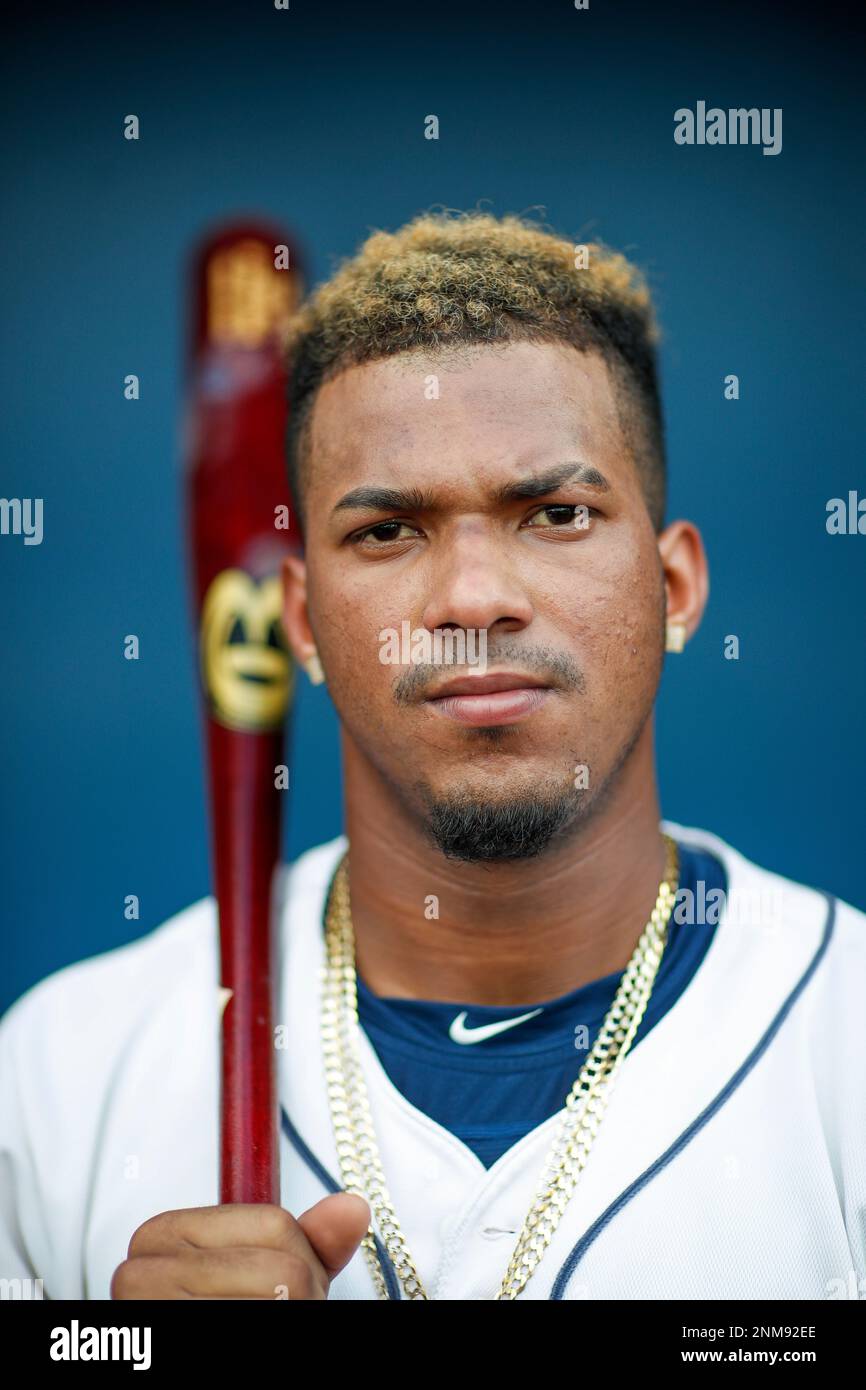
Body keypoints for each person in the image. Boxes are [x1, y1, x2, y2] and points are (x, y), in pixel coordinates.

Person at [1, 212, 863, 1301]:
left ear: (674, 586)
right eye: (387, 531)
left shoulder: (848, 1044)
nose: (469, 600)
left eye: (554, 512)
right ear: (300, 622)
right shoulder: (61, 1081)